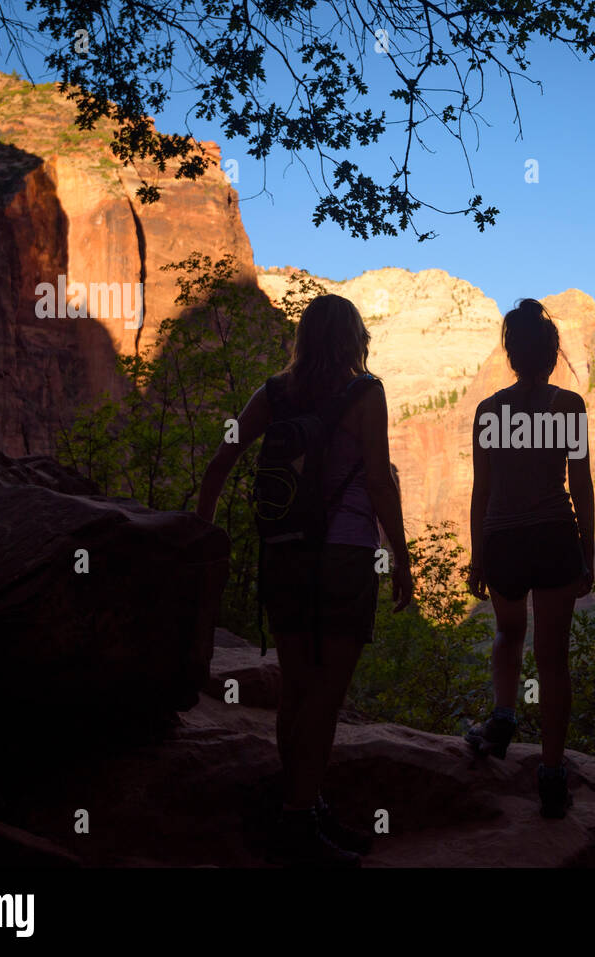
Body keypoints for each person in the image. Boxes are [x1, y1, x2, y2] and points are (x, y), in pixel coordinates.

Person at [196, 294, 414, 866]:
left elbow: (219, 465)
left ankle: (305, 806)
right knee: (326, 694)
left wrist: (203, 541)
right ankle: (299, 818)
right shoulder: (367, 393)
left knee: (296, 687)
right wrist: (403, 556)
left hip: (284, 555)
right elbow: (378, 482)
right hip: (344, 557)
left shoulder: (273, 393)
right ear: (355, 339)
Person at [465, 298, 595, 818]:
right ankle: (551, 772)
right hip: (554, 535)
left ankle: (501, 717)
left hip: (503, 539)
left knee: (508, 632)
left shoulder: (489, 411)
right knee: (554, 659)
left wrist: (478, 555)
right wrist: (588, 549)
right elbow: (580, 482)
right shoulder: (569, 407)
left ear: (511, 354)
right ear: (552, 354)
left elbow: (482, 489)